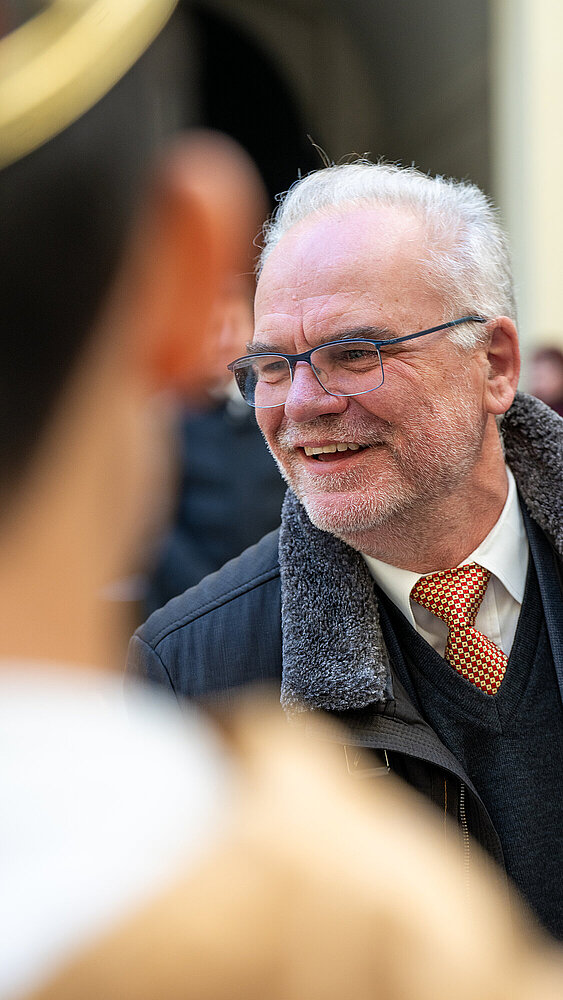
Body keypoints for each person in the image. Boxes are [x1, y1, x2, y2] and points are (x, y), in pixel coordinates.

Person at [129, 160, 563, 941]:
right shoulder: (188, 672)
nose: (300, 405)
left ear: (493, 365)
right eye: (269, 367)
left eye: (354, 353)